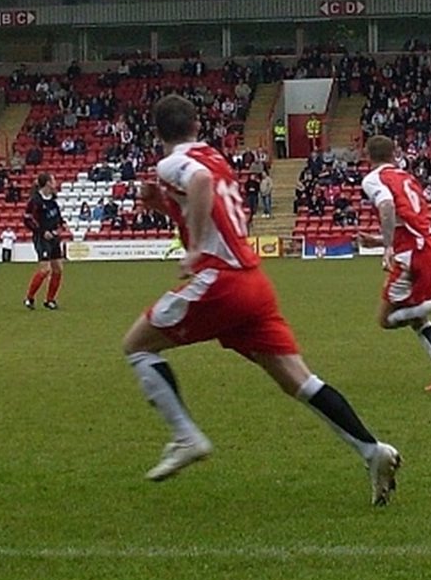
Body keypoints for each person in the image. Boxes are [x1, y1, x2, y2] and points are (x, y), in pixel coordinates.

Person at [123, 94, 400, 505]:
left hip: (219, 281)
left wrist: (195, 248)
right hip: (252, 283)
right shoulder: (217, 158)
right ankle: (371, 450)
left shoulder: (173, 164)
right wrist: (164, 205)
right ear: (198, 126)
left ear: (157, 131)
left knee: (137, 347)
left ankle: (185, 437)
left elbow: (197, 183)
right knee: (300, 381)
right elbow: (211, 199)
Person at [357, 135, 431, 393]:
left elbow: (386, 207)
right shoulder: (407, 178)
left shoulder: (373, 178)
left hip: (414, 255)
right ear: (394, 153)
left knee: (386, 319)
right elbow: (409, 222)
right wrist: (380, 240)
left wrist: (387, 247)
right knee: (418, 318)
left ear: (368, 156)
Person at [23, 172, 65, 310]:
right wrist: (42, 232)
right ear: (47, 183)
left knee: (58, 268)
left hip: (54, 237)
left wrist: (60, 226)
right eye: (53, 180)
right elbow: (27, 219)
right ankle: (29, 298)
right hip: (42, 239)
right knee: (45, 269)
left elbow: (57, 216)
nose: (55, 183)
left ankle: (50, 300)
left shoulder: (52, 199)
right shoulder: (35, 201)